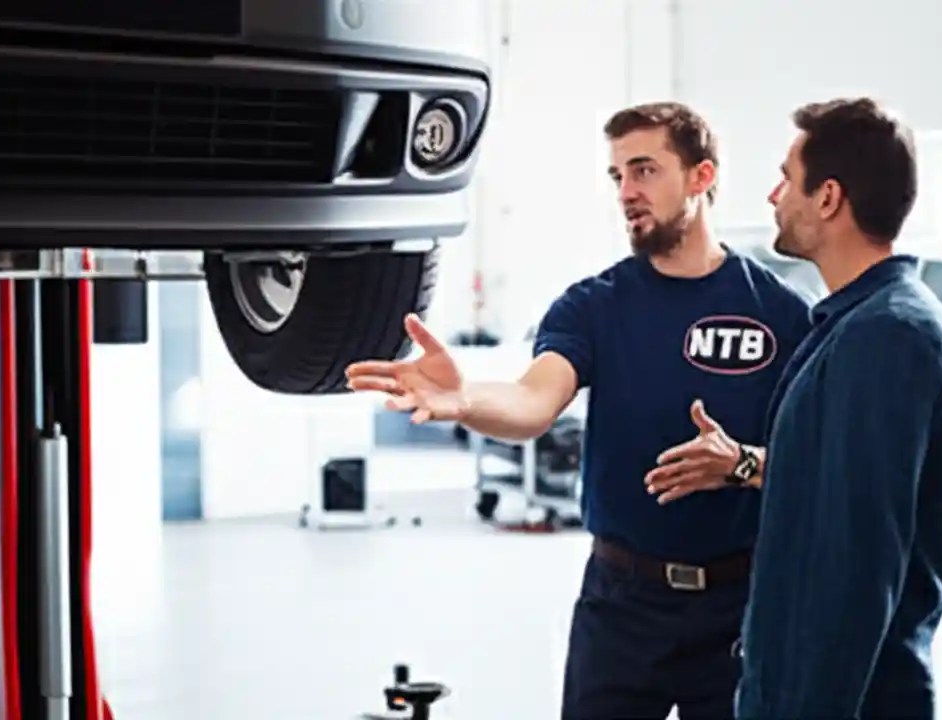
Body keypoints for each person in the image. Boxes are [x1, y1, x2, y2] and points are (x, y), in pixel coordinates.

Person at [345, 101, 812, 719]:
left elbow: (818, 464)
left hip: (740, 608)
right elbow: (534, 400)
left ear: (702, 177)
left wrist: (742, 463)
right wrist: (465, 400)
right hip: (621, 606)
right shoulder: (595, 306)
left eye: (645, 170)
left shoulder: (780, 313)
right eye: (618, 176)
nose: (627, 192)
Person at [730, 97, 942, 719]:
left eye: (787, 177)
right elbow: (821, 493)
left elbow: (857, 568)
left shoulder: (889, 336)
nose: (774, 195)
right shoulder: (854, 325)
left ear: (828, 198)